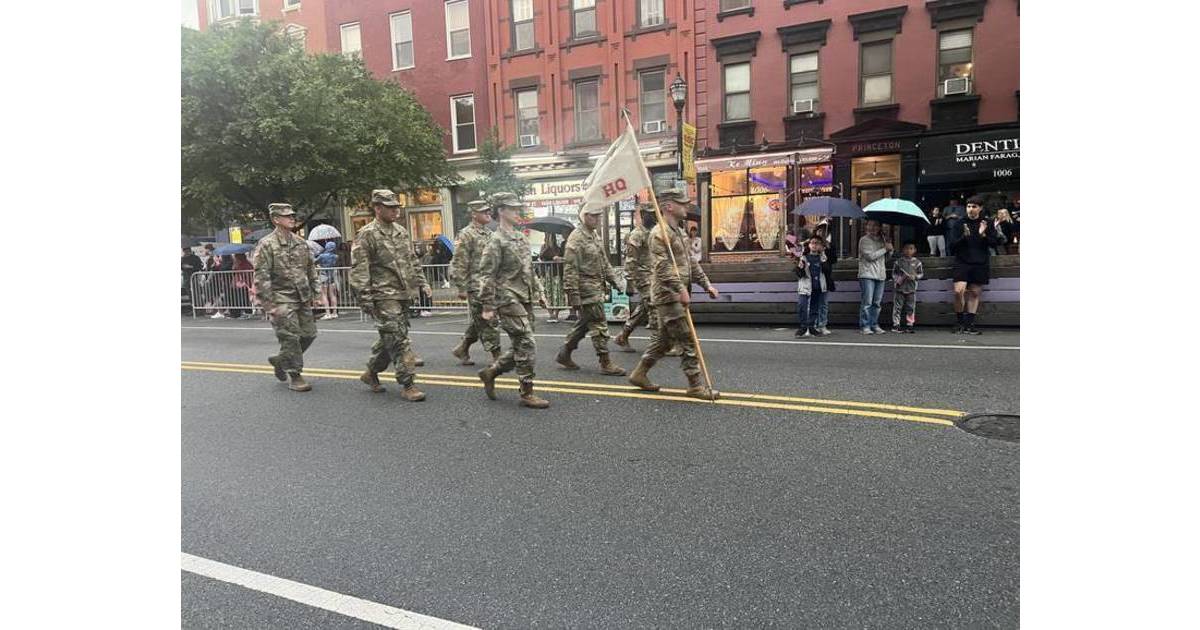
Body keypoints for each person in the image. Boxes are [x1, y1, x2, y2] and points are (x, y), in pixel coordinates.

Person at [627, 184, 721, 400]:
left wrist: (706, 285)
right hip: (667, 295)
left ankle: (639, 373)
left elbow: (690, 263)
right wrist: (679, 289)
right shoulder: (658, 234)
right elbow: (662, 267)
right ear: (669, 207)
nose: (685, 207)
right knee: (687, 339)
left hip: (678, 292)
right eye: (681, 203)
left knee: (665, 340)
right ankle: (696, 385)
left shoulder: (678, 231)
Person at [350, 189, 430, 401]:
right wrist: (364, 298)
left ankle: (371, 373)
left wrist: (422, 283)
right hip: (383, 294)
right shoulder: (367, 234)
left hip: (403, 292)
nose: (396, 211)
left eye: (397, 207)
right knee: (399, 340)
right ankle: (408, 384)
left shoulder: (401, 231)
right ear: (377, 208)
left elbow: (411, 260)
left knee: (389, 339)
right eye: (390, 207)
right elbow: (359, 268)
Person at [476, 192, 551, 409]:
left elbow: (530, 270)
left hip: (524, 296)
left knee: (520, 344)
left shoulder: (521, 238)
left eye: (518, 208)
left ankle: (491, 372)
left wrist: (540, 292)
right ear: (500, 211)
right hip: (506, 298)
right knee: (527, 342)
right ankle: (526, 392)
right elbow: (487, 274)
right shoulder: (495, 241)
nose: (517, 212)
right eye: (512, 208)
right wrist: (488, 305)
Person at [253, 203, 320, 392]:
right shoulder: (266, 244)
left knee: (308, 334)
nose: (292, 218)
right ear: (276, 219)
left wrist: (316, 293)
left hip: (301, 296)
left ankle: (280, 360)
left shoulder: (300, 243)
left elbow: (310, 269)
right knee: (290, 337)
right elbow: (261, 276)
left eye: (292, 215)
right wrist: (269, 305)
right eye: (287, 216)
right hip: (280, 298)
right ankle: (295, 374)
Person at [556, 203, 628, 376]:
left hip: (597, 285)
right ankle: (605, 362)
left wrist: (616, 282)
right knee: (599, 324)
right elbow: (570, 269)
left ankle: (564, 353)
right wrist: (573, 295)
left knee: (584, 325)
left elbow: (604, 263)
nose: (597, 219)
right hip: (586, 288)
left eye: (598, 216)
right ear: (584, 216)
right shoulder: (576, 238)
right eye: (593, 216)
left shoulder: (593, 235)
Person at [448, 198, 502, 366]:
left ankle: (462, 348)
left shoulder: (490, 233)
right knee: (488, 319)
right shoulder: (466, 234)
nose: (488, 213)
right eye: (483, 211)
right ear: (473, 215)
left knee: (478, 320)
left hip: (489, 284)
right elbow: (459, 262)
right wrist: (461, 287)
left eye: (488, 211)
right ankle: (497, 355)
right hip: (475, 285)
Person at [948, 195, 1005, 334]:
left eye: (974, 206)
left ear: (980, 208)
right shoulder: (959, 223)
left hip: (980, 261)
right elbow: (952, 246)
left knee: (974, 293)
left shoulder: (987, 223)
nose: (971, 209)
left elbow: (995, 243)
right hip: (962, 261)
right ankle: (960, 322)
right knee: (958, 291)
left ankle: (969, 324)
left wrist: (983, 235)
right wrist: (964, 237)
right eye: (968, 206)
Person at [614, 203, 658, 352]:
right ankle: (656, 343)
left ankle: (623, 336)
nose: (654, 216)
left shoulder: (654, 232)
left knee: (643, 309)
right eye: (651, 214)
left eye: (655, 213)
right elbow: (631, 260)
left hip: (653, 275)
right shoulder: (637, 234)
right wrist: (630, 283)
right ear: (644, 215)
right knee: (654, 305)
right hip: (642, 276)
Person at [857, 218, 892, 334]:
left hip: (880, 274)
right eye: (869, 225)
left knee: (877, 302)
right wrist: (884, 249)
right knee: (867, 302)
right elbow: (870, 256)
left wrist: (890, 250)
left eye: (875, 225)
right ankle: (865, 325)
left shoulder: (882, 240)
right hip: (867, 274)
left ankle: (874, 324)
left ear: (879, 227)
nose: (872, 228)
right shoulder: (864, 240)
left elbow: (885, 258)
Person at [793, 235, 829, 338]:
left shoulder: (822, 258)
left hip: (817, 286)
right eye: (812, 243)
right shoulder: (803, 258)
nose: (814, 245)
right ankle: (803, 326)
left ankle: (812, 327)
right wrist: (800, 267)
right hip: (805, 286)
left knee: (814, 307)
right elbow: (799, 274)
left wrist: (823, 258)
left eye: (817, 243)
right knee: (802, 305)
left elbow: (827, 271)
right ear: (809, 245)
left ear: (821, 246)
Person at [808, 222, 837, 335]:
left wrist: (827, 249)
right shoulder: (811, 244)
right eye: (820, 230)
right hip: (812, 279)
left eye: (825, 231)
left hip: (824, 278)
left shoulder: (829, 245)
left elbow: (834, 260)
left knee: (823, 303)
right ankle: (812, 325)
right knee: (813, 303)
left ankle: (822, 325)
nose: (822, 233)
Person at [891, 242, 924, 333]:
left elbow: (921, 274)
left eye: (911, 248)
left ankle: (910, 324)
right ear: (903, 250)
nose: (908, 250)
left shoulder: (917, 263)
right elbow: (894, 273)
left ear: (914, 250)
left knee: (911, 307)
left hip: (911, 289)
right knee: (897, 307)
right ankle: (896, 324)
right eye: (906, 248)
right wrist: (898, 279)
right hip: (900, 288)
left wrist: (915, 277)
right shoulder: (898, 262)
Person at [539, 235, 565, 323]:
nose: (550, 239)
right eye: (548, 237)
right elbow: (541, 255)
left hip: (556, 274)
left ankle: (556, 314)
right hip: (546, 274)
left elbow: (562, 257)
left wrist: (558, 258)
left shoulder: (558, 248)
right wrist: (551, 254)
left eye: (551, 237)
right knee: (547, 293)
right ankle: (551, 314)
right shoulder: (544, 247)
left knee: (557, 293)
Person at [316, 241, 340, 320]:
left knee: (324, 295)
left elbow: (314, 261)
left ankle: (328, 313)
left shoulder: (322, 256)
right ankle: (335, 312)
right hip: (332, 276)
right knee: (333, 294)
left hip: (324, 276)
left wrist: (319, 265)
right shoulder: (336, 256)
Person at [229, 252, 254, 319]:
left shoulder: (246, 264)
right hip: (239, 284)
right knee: (239, 297)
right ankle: (240, 312)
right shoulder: (238, 264)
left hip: (245, 284)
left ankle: (247, 312)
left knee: (244, 298)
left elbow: (247, 274)